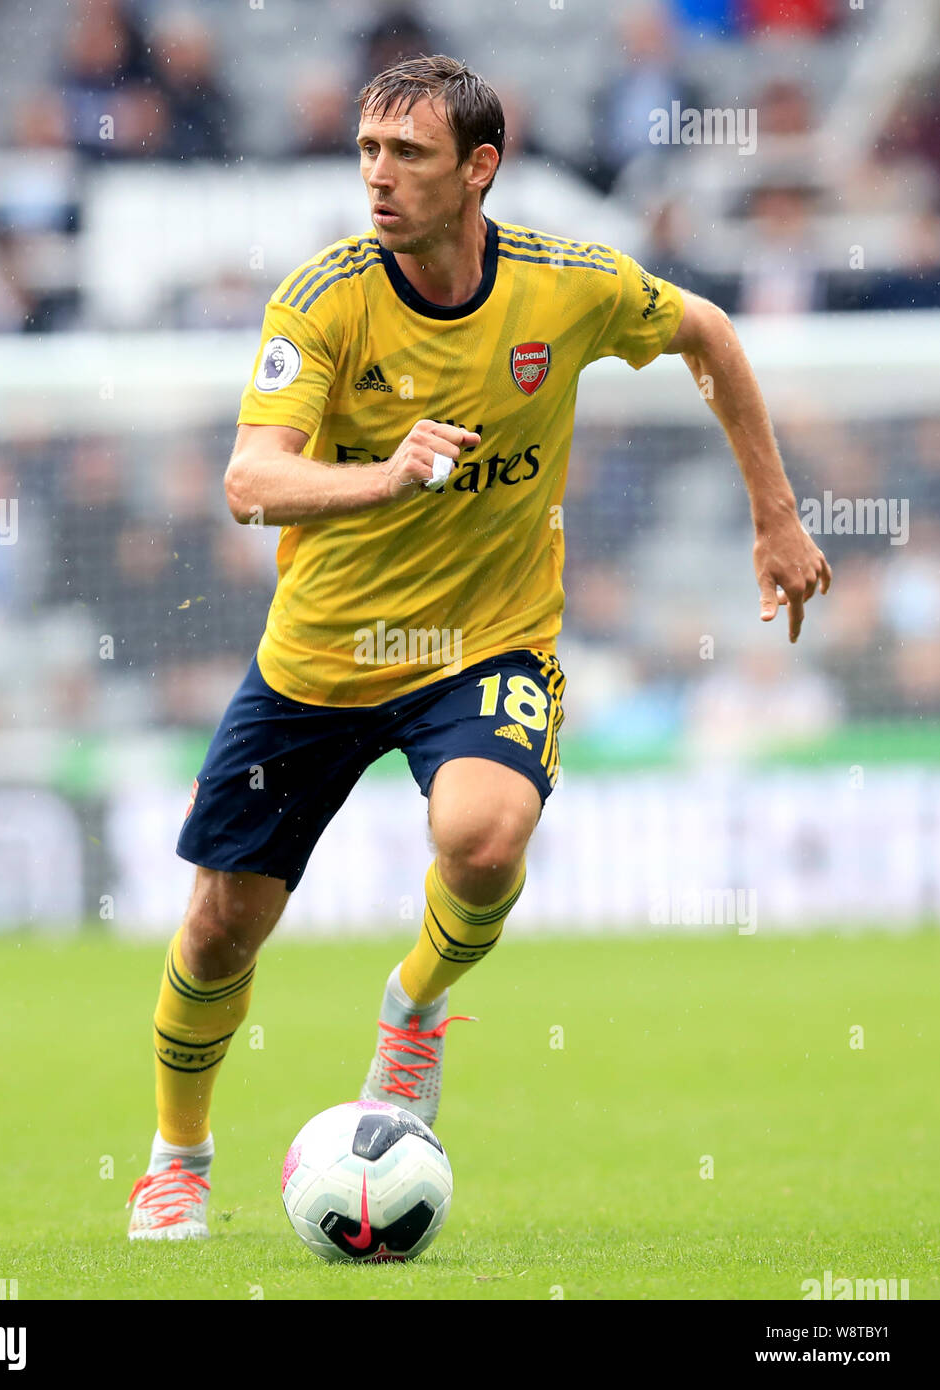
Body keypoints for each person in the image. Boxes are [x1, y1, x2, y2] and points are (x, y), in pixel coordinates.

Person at [126, 54, 831, 1239]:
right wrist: (383, 474)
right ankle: (176, 1157)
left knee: (486, 838)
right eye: (366, 152)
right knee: (217, 926)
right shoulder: (326, 297)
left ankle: (411, 1013)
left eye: (407, 155)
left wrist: (776, 513)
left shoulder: (567, 287)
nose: (378, 179)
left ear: (479, 169)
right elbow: (250, 480)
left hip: (483, 647)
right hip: (321, 661)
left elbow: (708, 331)